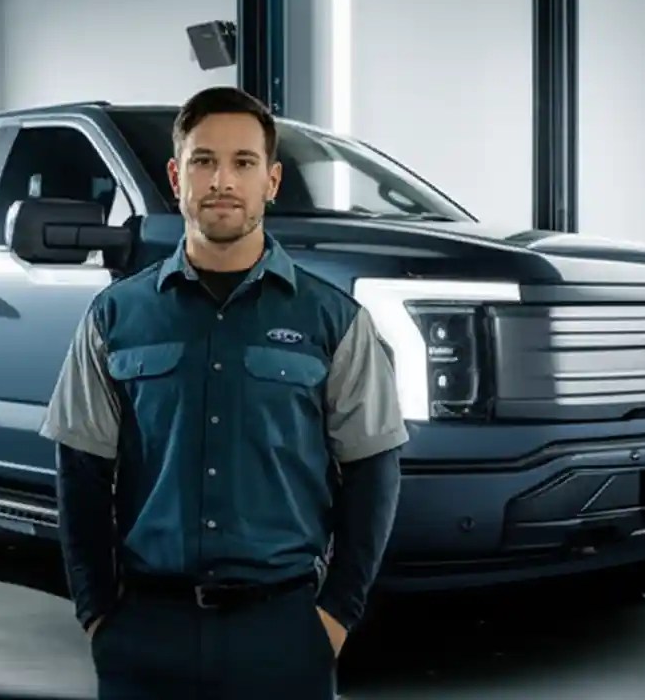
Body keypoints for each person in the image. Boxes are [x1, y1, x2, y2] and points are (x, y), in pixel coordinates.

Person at [39, 85, 407, 699]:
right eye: (205, 161)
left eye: (244, 162)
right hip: (145, 630)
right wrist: (98, 614)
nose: (222, 181)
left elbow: (374, 470)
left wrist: (336, 616)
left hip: (284, 631)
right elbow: (79, 473)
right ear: (177, 175)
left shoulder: (334, 321)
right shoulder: (114, 317)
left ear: (272, 179)